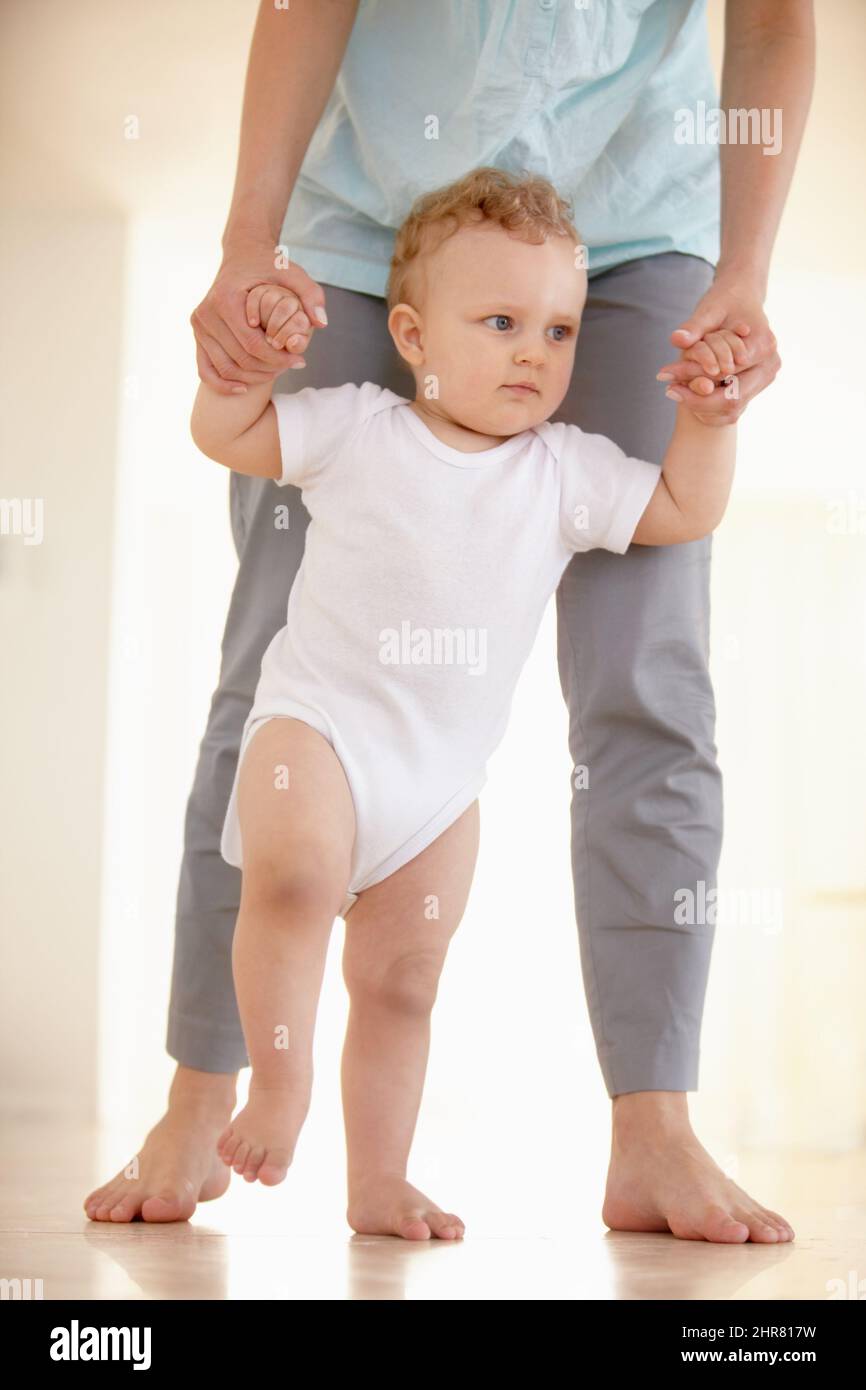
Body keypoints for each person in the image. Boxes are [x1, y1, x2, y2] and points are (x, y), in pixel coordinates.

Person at [85, 0, 813, 1242]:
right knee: (269, 666)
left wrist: (739, 283)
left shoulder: (572, 439)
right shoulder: (361, 398)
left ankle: (652, 1129)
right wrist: (248, 245)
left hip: (631, 230)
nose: (531, 361)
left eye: (548, 350)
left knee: (649, 683)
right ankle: (208, 1087)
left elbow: (772, 18)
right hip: (369, 225)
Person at [191, 167, 744, 1240]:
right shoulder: (357, 428)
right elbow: (230, 435)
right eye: (499, 323)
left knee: (401, 985)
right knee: (296, 886)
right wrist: (243, 367)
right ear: (411, 333)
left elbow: (682, 508)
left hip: (440, 787)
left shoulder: (565, 472)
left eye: (557, 328)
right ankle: (274, 1083)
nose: (533, 353)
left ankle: (378, 1179)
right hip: (315, 732)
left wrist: (709, 423)